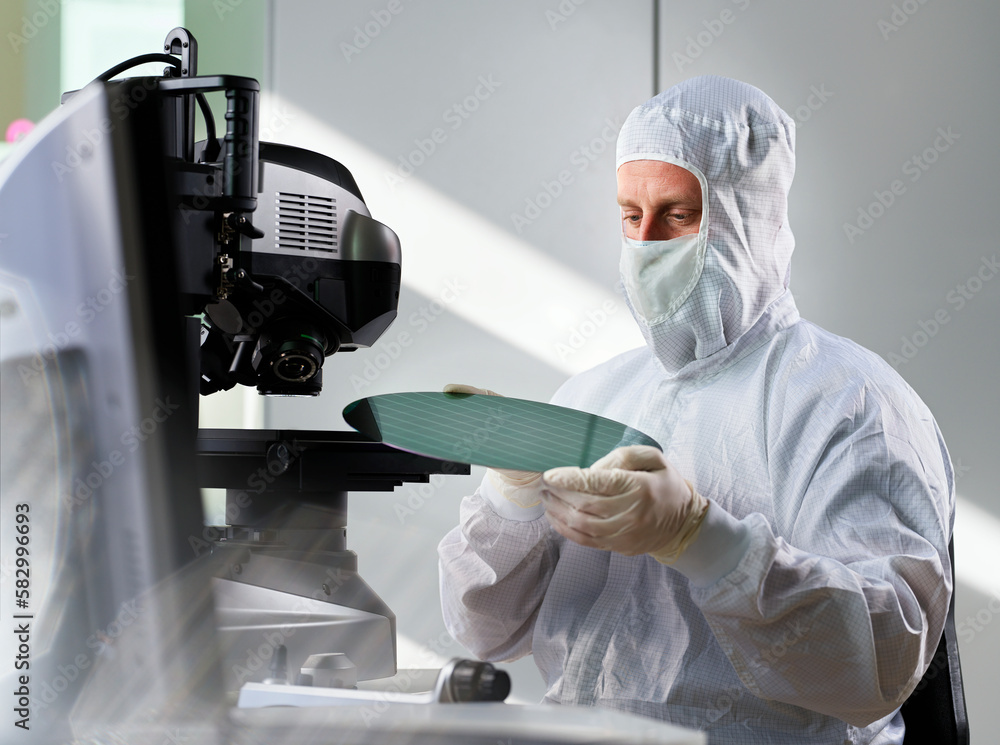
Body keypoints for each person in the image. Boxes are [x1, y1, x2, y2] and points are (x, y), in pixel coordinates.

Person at [437, 75, 953, 743]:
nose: (647, 243)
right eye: (631, 215)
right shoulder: (591, 396)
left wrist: (704, 539)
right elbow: (484, 630)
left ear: (749, 215)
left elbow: (877, 666)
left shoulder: (852, 404)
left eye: (677, 214)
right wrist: (513, 495)